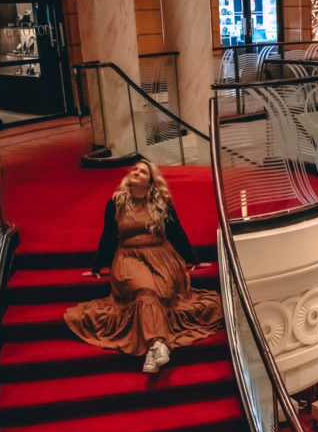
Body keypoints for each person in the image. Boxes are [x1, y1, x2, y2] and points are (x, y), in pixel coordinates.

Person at [65, 157, 223, 373]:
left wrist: (192, 259)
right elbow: (108, 236)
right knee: (145, 291)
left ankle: (153, 351)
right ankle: (158, 343)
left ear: (151, 182)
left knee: (162, 293)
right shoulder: (116, 202)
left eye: (142, 171)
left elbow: (176, 232)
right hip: (128, 258)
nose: (136, 172)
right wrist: (97, 267)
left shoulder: (162, 203)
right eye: (135, 169)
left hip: (161, 257)